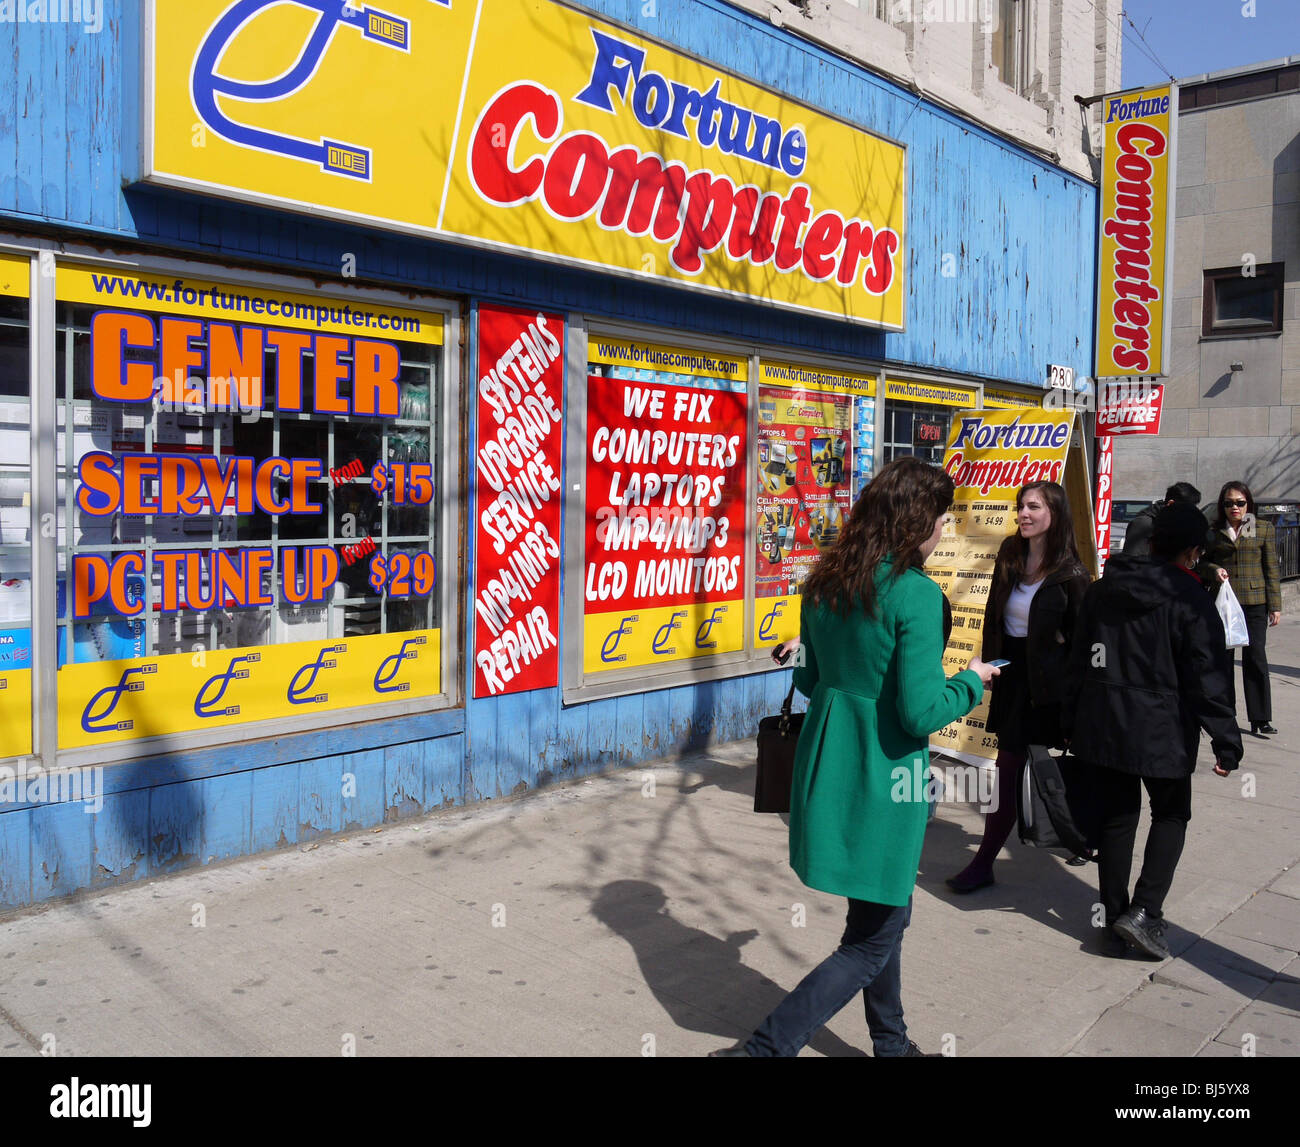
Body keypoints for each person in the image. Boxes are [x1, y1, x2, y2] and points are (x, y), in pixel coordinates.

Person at [713, 458, 999, 1057]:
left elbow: (814, 679)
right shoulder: (916, 594)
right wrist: (970, 680)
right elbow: (921, 713)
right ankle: (763, 1050)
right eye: (942, 518)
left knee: (877, 915)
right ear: (918, 521)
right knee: (875, 934)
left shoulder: (825, 580)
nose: (944, 530)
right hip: (886, 774)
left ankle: (891, 1044)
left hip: (832, 764)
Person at [1062, 503, 1242, 959]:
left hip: (1106, 723)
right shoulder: (1190, 595)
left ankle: (1113, 916)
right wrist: (1226, 736)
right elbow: (1207, 675)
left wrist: (1070, 720)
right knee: (1170, 814)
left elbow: (1078, 661)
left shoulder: (1103, 590)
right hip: (1162, 728)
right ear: (1192, 552)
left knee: (1118, 819)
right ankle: (1143, 913)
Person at [946, 481, 1092, 893]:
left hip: (1052, 689)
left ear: (1055, 514)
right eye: (1020, 507)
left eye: (1033, 507)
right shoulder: (1011, 553)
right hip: (1013, 679)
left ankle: (1075, 833)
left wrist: (1073, 696)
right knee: (1009, 773)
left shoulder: (1071, 574)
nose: (1023, 514)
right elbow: (994, 613)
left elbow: (1082, 642)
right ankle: (985, 862)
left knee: (1054, 771)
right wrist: (989, 665)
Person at [1202, 481, 1281, 736]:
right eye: (1228, 503)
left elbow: (1271, 569)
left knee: (1255, 657)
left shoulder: (1261, 529)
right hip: (1224, 603)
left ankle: (1261, 717)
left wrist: (1275, 606)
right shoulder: (1214, 532)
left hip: (1255, 603)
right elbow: (1201, 563)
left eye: (1239, 502)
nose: (1234, 508)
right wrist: (1215, 570)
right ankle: (1226, 714)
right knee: (1223, 660)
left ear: (1248, 503)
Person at [1122, 481, 1202, 558]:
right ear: (1171, 504)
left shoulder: (1174, 524)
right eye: (1187, 510)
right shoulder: (1144, 524)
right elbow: (1133, 564)